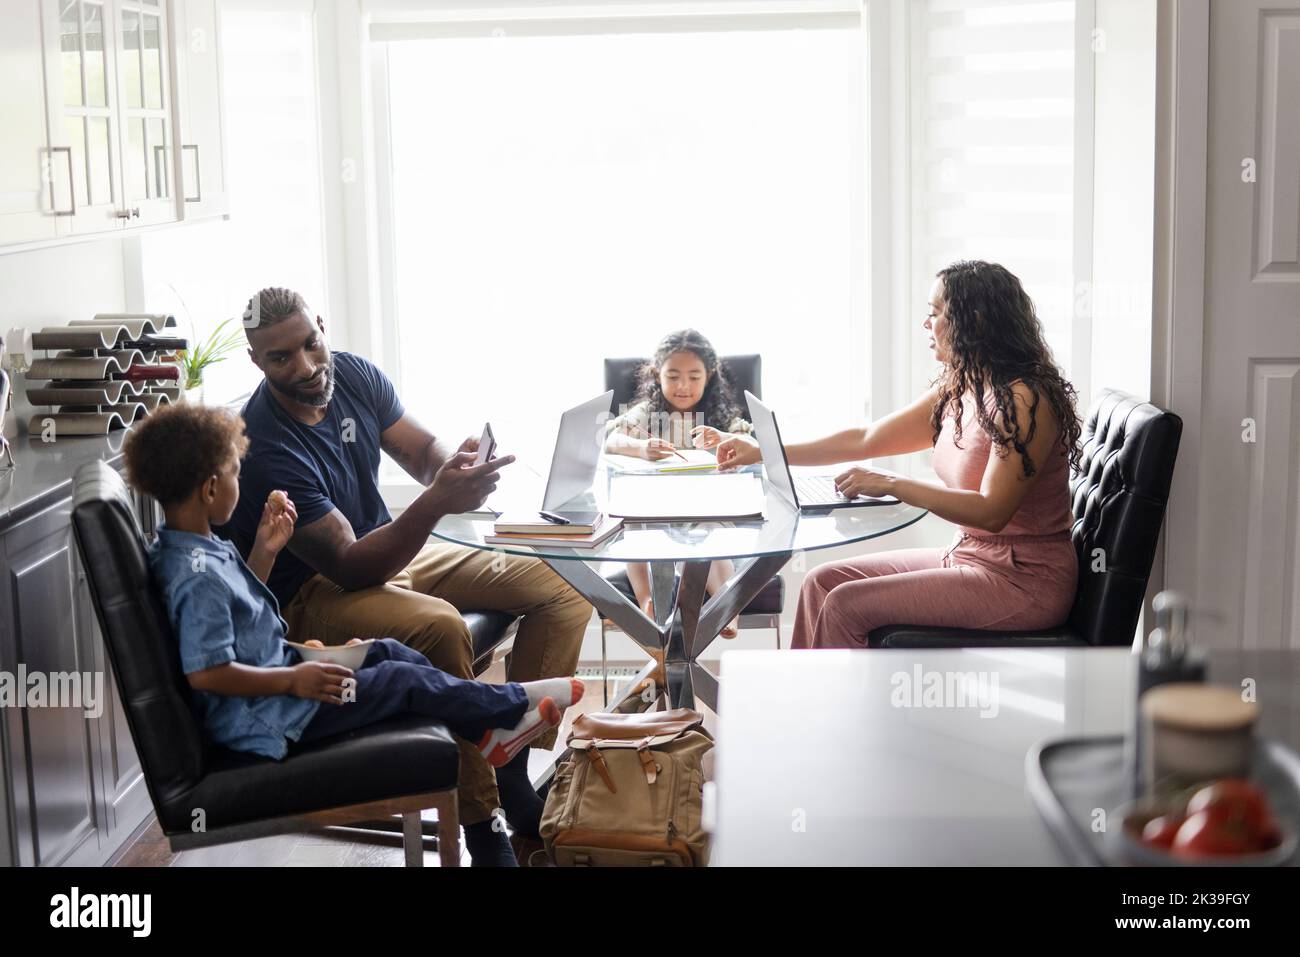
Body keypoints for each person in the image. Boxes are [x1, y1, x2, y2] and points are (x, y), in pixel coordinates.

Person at [219, 287, 593, 866]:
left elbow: (420, 452)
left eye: (310, 345)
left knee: (563, 587)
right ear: (256, 362)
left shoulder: (356, 377)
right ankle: (480, 820)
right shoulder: (264, 442)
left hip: (393, 554)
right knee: (444, 628)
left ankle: (513, 763)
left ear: (322, 326)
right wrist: (438, 501)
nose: (306, 366)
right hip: (315, 592)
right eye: (281, 358)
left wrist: (449, 468)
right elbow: (350, 563)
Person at [125, 405, 585, 864]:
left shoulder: (198, 550)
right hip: (275, 716)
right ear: (210, 488)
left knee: (386, 651)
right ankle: (507, 708)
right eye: (233, 473)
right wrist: (293, 680)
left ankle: (488, 735)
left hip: (281, 686)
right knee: (403, 681)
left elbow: (241, 618)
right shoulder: (196, 575)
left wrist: (265, 551)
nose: (239, 484)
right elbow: (208, 673)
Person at [717, 260, 1081, 648]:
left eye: (936, 312)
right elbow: (866, 439)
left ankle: (839, 709)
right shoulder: (961, 387)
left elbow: (992, 512)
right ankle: (807, 705)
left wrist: (892, 483)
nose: (927, 324)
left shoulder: (1024, 400)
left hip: (1023, 579)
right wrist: (764, 451)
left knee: (844, 604)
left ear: (973, 322)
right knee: (820, 582)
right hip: (968, 555)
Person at [604, 329, 753, 637]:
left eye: (694, 377)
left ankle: (725, 608)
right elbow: (610, 438)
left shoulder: (721, 416)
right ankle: (648, 603)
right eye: (673, 376)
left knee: (711, 531)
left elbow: (751, 442)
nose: (683, 386)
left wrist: (726, 439)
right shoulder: (648, 413)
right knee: (635, 525)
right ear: (657, 374)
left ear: (709, 376)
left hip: (706, 509)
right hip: (656, 512)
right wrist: (641, 448)